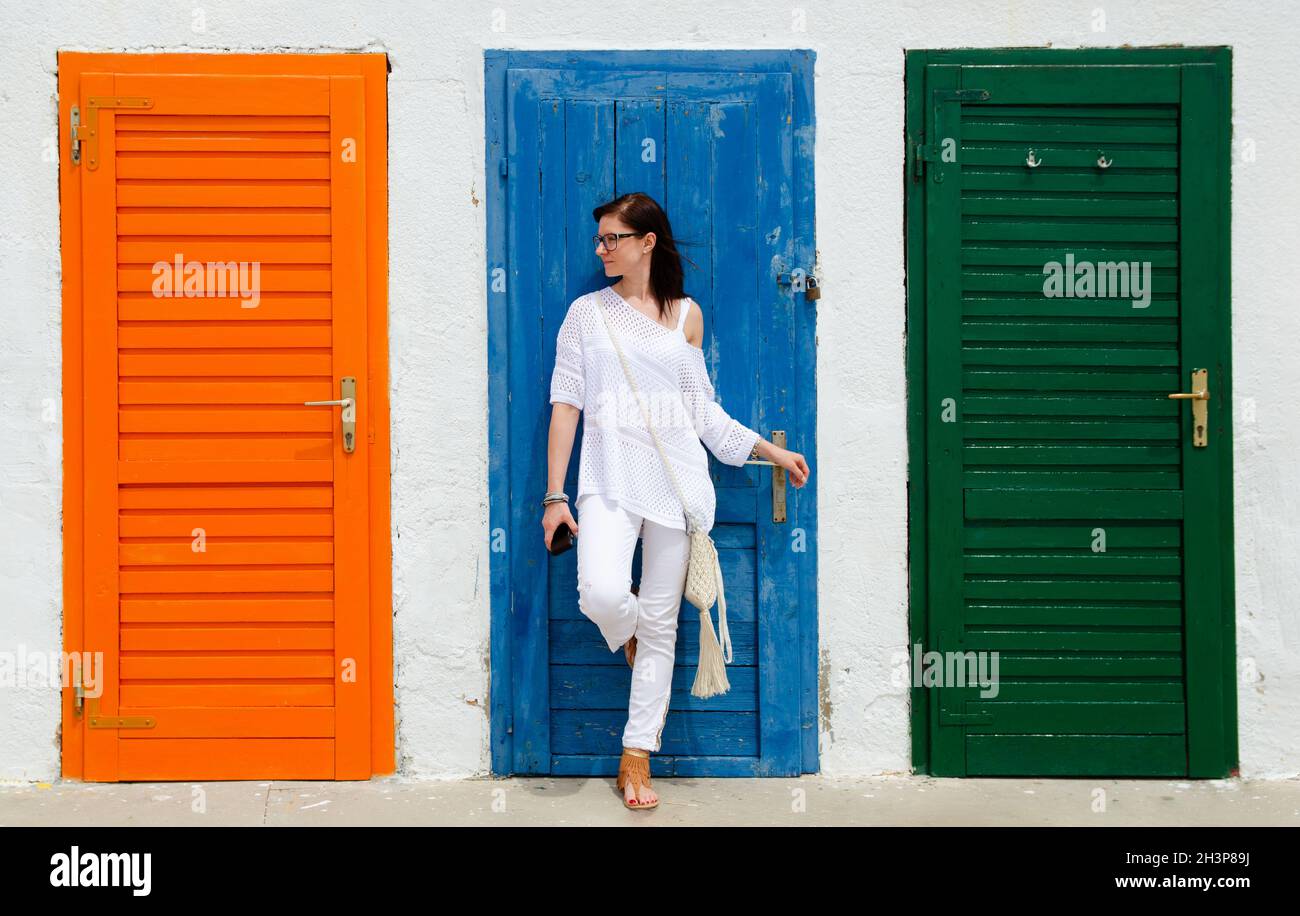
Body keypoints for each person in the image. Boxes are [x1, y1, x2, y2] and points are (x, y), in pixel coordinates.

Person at [542, 192, 810, 810]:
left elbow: (703, 415)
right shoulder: (587, 313)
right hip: (607, 478)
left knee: (663, 624)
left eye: (613, 238)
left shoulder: (686, 315)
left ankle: (636, 757)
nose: (602, 249)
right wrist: (555, 495)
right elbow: (566, 405)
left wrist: (771, 453)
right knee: (602, 594)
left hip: (674, 484)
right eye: (599, 240)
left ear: (647, 242)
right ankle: (629, 631)